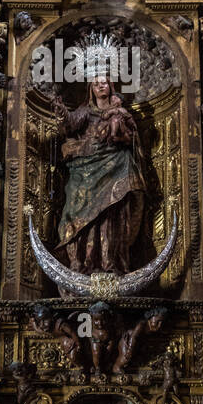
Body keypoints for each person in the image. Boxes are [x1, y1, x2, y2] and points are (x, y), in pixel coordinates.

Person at [52, 75, 146, 275]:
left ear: (110, 86)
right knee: (77, 205)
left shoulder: (121, 112)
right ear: (91, 90)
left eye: (103, 82)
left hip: (116, 165)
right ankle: (80, 261)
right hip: (86, 168)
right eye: (95, 84)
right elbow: (70, 124)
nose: (100, 86)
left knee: (112, 213)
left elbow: (133, 138)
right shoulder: (86, 111)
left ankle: (110, 261)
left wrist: (121, 136)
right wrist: (61, 111)